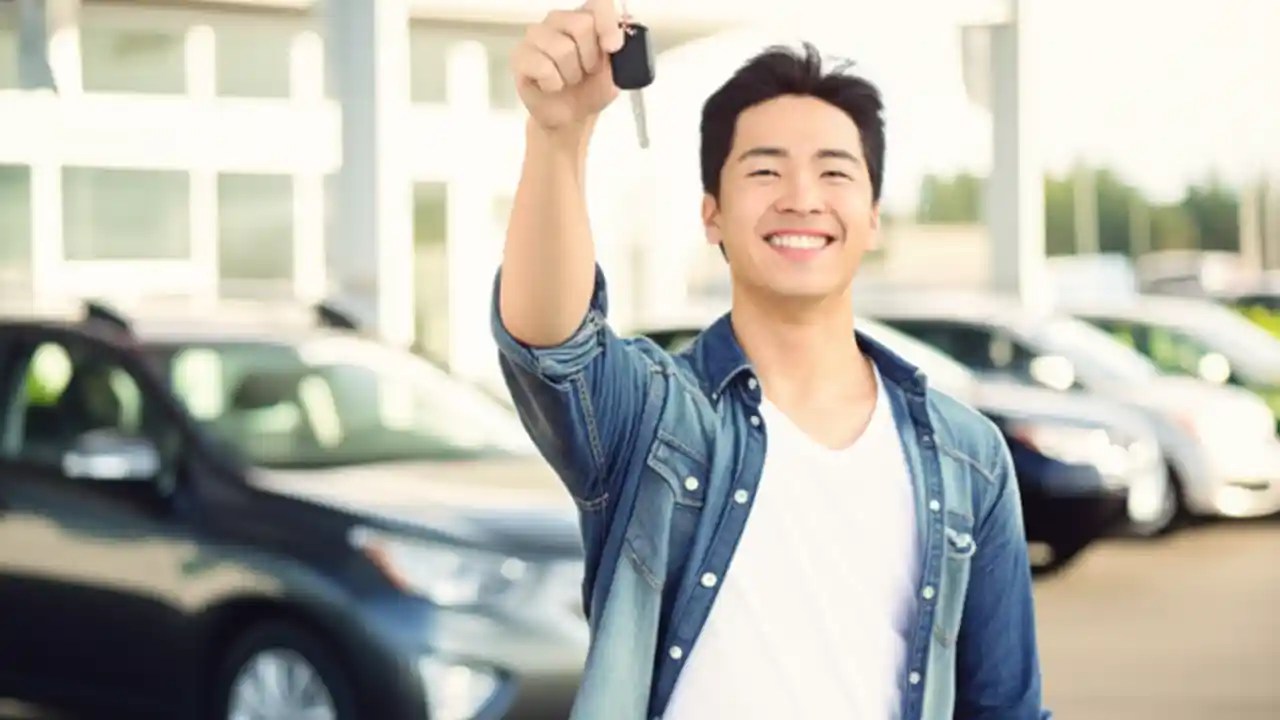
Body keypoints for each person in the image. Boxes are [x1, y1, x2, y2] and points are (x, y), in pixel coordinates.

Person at [491, 2, 1050, 718]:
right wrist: (558, 136)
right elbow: (550, 342)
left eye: (834, 172)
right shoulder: (656, 420)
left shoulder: (967, 456)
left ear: (873, 216)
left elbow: (1003, 706)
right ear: (711, 212)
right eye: (764, 171)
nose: (800, 199)